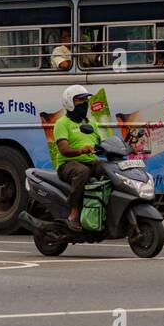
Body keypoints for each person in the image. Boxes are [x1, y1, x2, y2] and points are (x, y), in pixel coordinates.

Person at [53, 84, 105, 231]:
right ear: (69, 102)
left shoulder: (91, 123)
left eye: (86, 100)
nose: (85, 103)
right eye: (80, 100)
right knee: (82, 172)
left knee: (109, 170)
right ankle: (73, 212)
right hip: (68, 164)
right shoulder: (62, 123)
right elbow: (64, 150)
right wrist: (81, 150)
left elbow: (102, 143)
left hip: (90, 162)